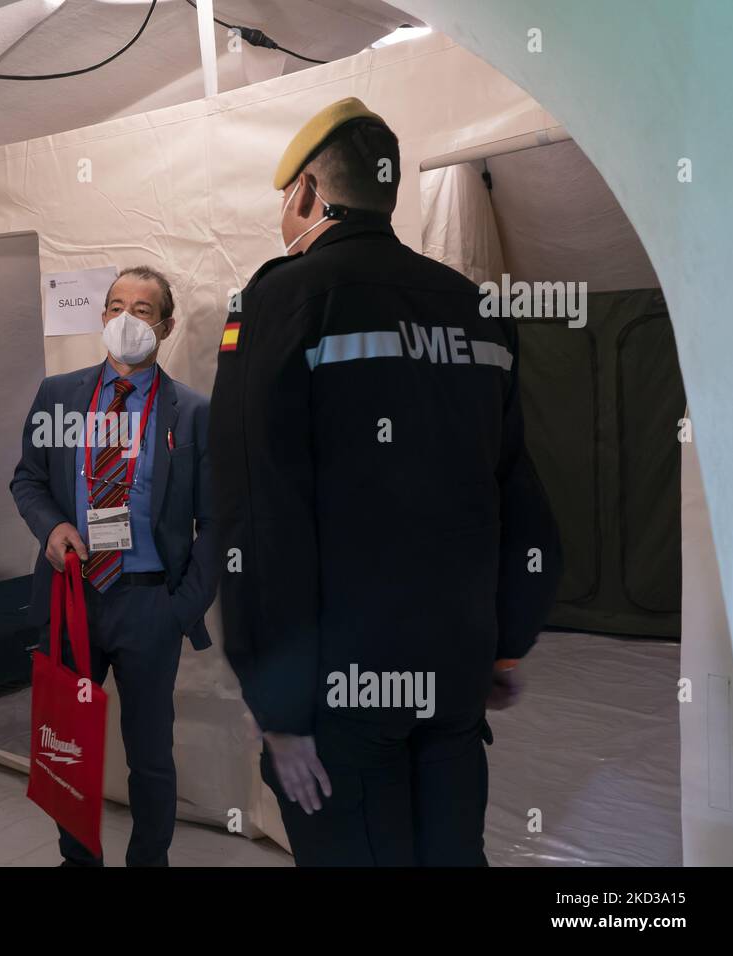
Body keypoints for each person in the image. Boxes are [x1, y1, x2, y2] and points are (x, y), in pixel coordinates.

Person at [208, 97, 561, 865]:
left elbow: (258, 520)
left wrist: (279, 709)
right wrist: (505, 642)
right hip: (456, 670)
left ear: (305, 192)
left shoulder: (276, 304)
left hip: (343, 690)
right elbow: (518, 496)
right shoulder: (473, 308)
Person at [11, 265, 219, 866]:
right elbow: (27, 479)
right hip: (72, 598)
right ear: (101, 317)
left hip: (149, 605)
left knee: (150, 754)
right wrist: (51, 527)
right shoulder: (58, 395)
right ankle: (78, 861)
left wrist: (181, 609)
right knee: (69, 745)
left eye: (144, 309)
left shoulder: (192, 412)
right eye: (116, 306)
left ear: (167, 325)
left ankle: (148, 862)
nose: (126, 319)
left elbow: (218, 521)